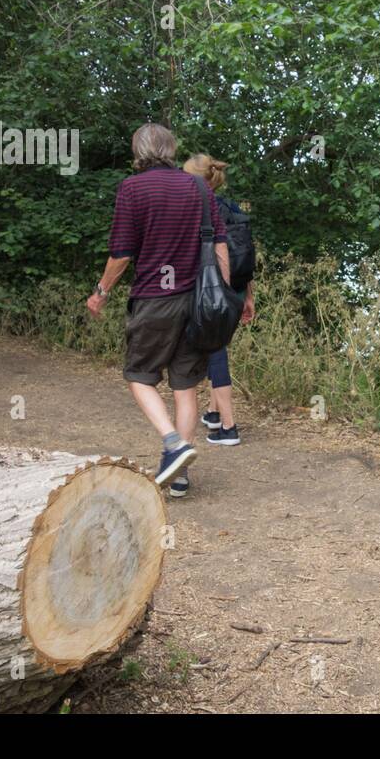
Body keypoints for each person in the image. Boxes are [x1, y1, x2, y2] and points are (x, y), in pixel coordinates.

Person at [85, 123, 247, 498]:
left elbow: (122, 253)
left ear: (137, 151)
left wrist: (101, 291)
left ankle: (173, 444)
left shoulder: (132, 188)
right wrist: (221, 293)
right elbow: (220, 244)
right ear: (172, 149)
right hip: (197, 300)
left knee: (139, 375)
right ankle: (179, 475)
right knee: (185, 385)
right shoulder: (199, 187)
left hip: (155, 298)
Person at [181, 153, 252, 446]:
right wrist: (248, 296)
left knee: (216, 351)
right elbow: (246, 253)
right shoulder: (232, 208)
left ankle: (229, 426)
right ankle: (212, 412)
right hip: (234, 287)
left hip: (208, 288)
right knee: (219, 345)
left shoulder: (195, 208)